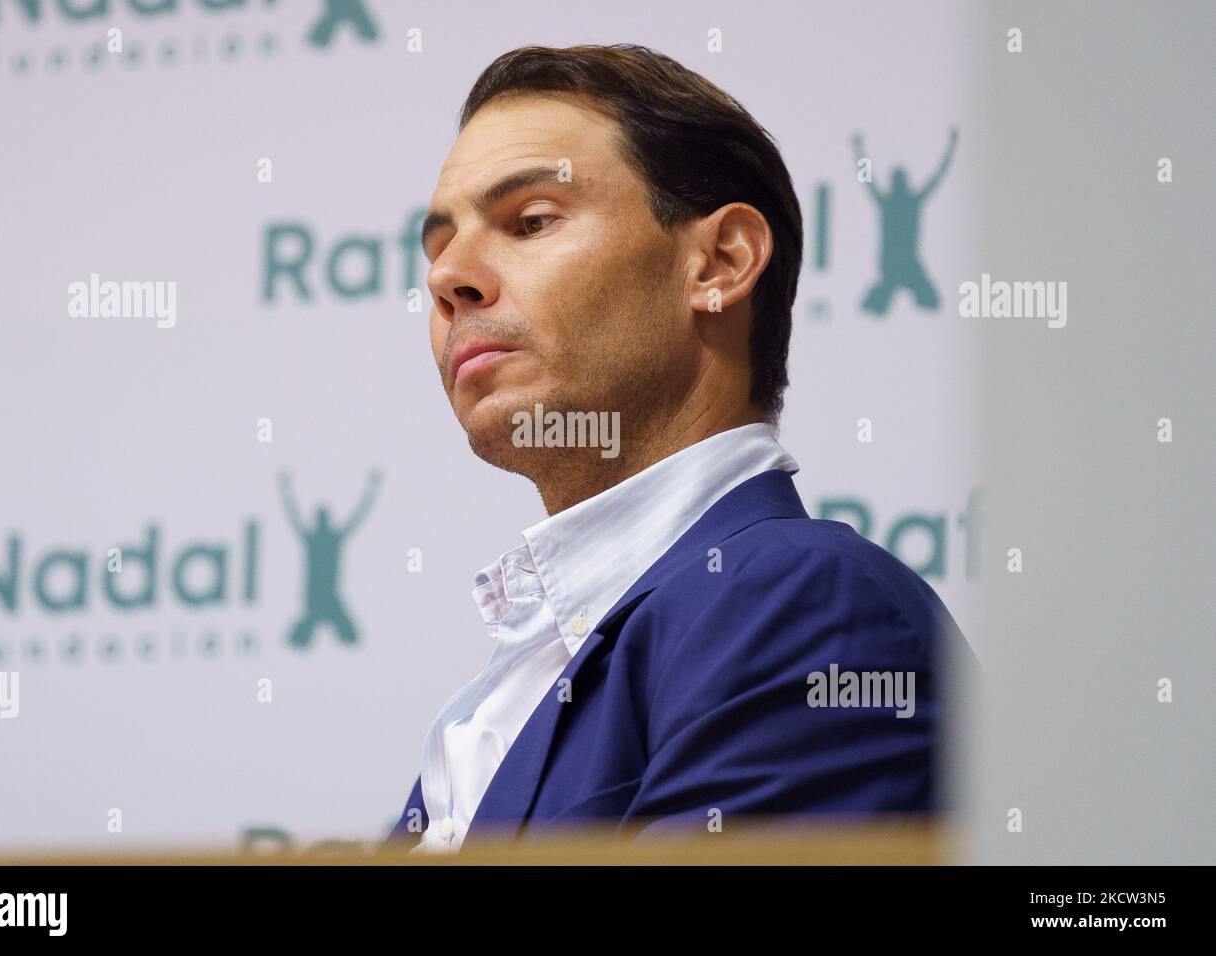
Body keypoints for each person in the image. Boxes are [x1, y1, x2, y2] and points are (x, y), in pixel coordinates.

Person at [390, 43, 972, 852]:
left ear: (720, 263)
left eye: (529, 222)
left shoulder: (805, 605)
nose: (448, 278)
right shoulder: (509, 688)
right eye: (437, 247)